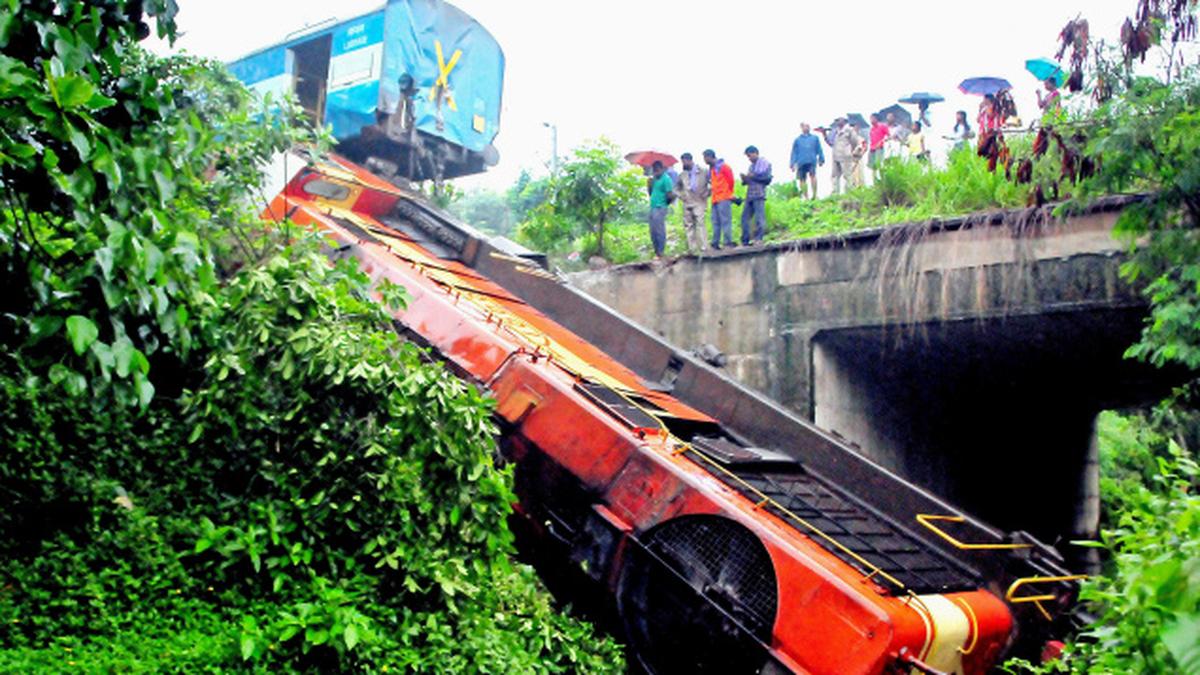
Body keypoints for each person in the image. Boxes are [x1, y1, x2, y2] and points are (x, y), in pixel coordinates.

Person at [673, 152, 710, 254]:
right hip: (687, 202)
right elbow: (676, 189)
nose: (683, 164)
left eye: (684, 161)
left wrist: (707, 193)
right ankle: (692, 249)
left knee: (700, 223)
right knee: (688, 225)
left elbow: (712, 183)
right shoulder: (682, 175)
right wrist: (681, 196)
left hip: (699, 201)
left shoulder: (703, 171)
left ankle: (704, 247)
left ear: (690, 160)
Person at [739, 145, 772, 246]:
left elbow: (767, 180)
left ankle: (759, 238)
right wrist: (745, 179)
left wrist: (753, 177)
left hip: (759, 194)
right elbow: (750, 180)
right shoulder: (751, 166)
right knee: (744, 218)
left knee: (759, 218)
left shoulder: (765, 164)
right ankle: (745, 240)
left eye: (750, 156)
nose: (749, 158)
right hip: (750, 195)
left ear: (755, 153)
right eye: (748, 157)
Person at [703, 149, 735, 249]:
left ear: (710, 156)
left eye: (705, 158)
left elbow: (731, 181)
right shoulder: (711, 170)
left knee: (725, 221)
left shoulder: (724, 167)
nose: (704, 160)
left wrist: (728, 193)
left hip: (724, 197)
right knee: (715, 222)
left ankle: (727, 242)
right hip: (715, 198)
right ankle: (715, 243)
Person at [646, 161, 674, 259]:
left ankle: (661, 252)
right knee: (652, 230)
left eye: (657, 169)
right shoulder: (653, 180)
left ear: (662, 169)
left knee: (659, 230)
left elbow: (670, 195)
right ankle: (657, 252)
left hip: (660, 207)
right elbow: (651, 194)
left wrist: (664, 205)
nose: (655, 172)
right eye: (654, 170)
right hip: (653, 207)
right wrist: (648, 185)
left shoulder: (666, 179)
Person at [789, 123, 824, 199]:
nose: (806, 128)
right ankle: (806, 197)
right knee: (802, 179)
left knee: (813, 176)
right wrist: (792, 163)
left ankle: (814, 195)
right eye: (805, 126)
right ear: (801, 128)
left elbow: (819, 149)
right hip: (801, 161)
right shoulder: (797, 140)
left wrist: (821, 159)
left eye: (808, 126)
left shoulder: (815, 138)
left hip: (811, 160)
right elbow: (794, 152)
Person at [831, 118, 863, 194]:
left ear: (844, 121)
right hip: (835, 155)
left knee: (847, 175)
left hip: (845, 156)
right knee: (834, 175)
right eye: (837, 120)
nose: (838, 121)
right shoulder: (835, 131)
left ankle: (849, 192)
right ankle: (835, 193)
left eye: (839, 120)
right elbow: (831, 142)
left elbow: (855, 142)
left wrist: (850, 151)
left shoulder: (849, 130)